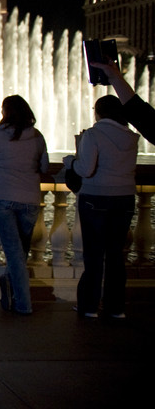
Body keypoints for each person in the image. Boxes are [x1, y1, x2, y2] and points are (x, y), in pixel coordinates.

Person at [63, 95, 138, 319]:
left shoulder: (94, 135)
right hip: (125, 198)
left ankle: (89, 305)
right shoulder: (132, 137)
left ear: (98, 112)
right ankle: (116, 308)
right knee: (116, 255)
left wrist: (69, 162)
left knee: (94, 255)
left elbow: (85, 169)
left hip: (96, 198)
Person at [0, 95, 49, 315]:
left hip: (2, 198)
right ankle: (10, 290)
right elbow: (44, 167)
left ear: (5, 112)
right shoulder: (37, 136)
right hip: (30, 200)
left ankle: (23, 304)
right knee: (20, 251)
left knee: (14, 253)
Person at [90, 60, 155, 144]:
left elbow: (143, 117)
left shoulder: (91, 135)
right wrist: (115, 78)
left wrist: (115, 78)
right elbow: (144, 117)